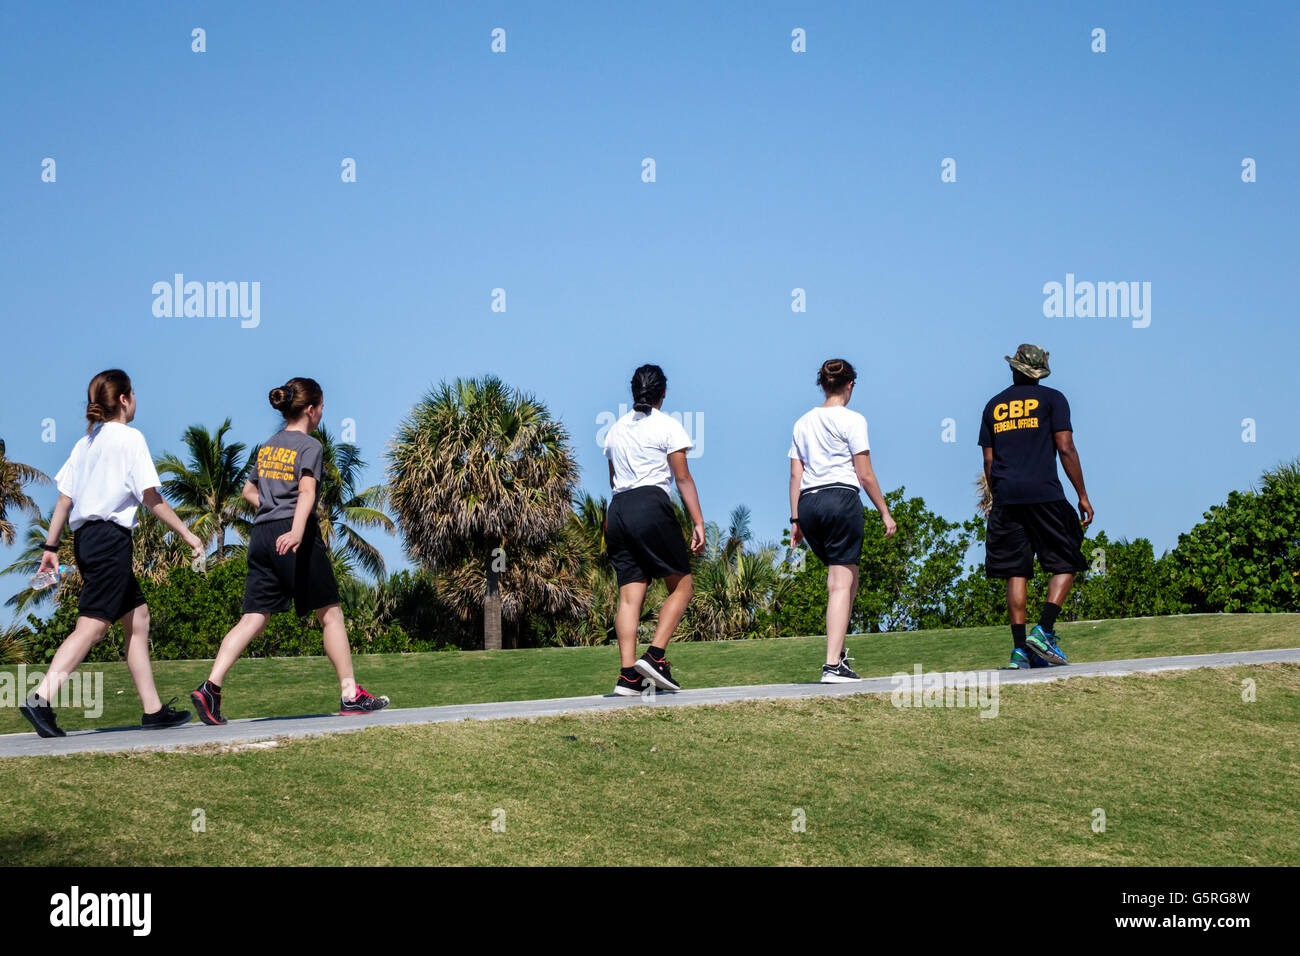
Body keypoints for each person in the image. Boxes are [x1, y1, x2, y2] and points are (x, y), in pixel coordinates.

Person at [190, 378, 389, 724]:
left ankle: (211, 687)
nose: (323, 413)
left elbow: (248, 491)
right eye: (322, 407)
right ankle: (350, 694)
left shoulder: (268, 446)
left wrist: (273, 506)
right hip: (293, 534)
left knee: (253, 617)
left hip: (262, 534)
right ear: (311, 410)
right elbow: (308, 493)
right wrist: (296, 529)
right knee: (330, 614)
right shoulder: (309, 445)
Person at [19, 369, 203, 738]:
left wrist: (51, 549)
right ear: (124, 399)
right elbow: (151, 498)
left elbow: (64, 501)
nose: (136, 400)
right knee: (92, 625)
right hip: (110, 541)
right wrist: (189, 536)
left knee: (137, 618)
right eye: (133, 393)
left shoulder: (84, 444)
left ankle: (153, 711)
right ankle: (40, 698)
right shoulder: (129, 439)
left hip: (86, 541)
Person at [977, 344, 1093, 669]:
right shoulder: (1053, 399)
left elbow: (988, 461)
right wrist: (1082, 495)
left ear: (1013, 369)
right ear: (1040, 372)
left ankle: (1018, 652)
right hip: (1045, 493)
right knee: (1067, 557)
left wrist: (998, 494)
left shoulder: (993, 406)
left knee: (1016, 571)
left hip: (1006, 498)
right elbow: (1066, 447)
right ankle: (1044, 629)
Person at [789, 358, 896, 683]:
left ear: (822, 384)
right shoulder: (853, 420)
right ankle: (832, 665)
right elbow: (864, 474)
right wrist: (884, 511)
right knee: (840, 582)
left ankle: (840, 655)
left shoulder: (801, 422)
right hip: (840, 499)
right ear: (849, 386)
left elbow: (796, 475)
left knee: (846, 577)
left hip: (808, 504)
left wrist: (795, 519)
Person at [603, 364, 705, 696]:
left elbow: (612, 480)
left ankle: (627, 677)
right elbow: (682, 478)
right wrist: (698, 521)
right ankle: (656, 656)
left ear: (634, 392)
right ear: (663, 393)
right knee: (683, 586)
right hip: (651, 504)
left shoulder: (614, 431)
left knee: (630, 597)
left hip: (617, 511)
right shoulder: (668, 426)